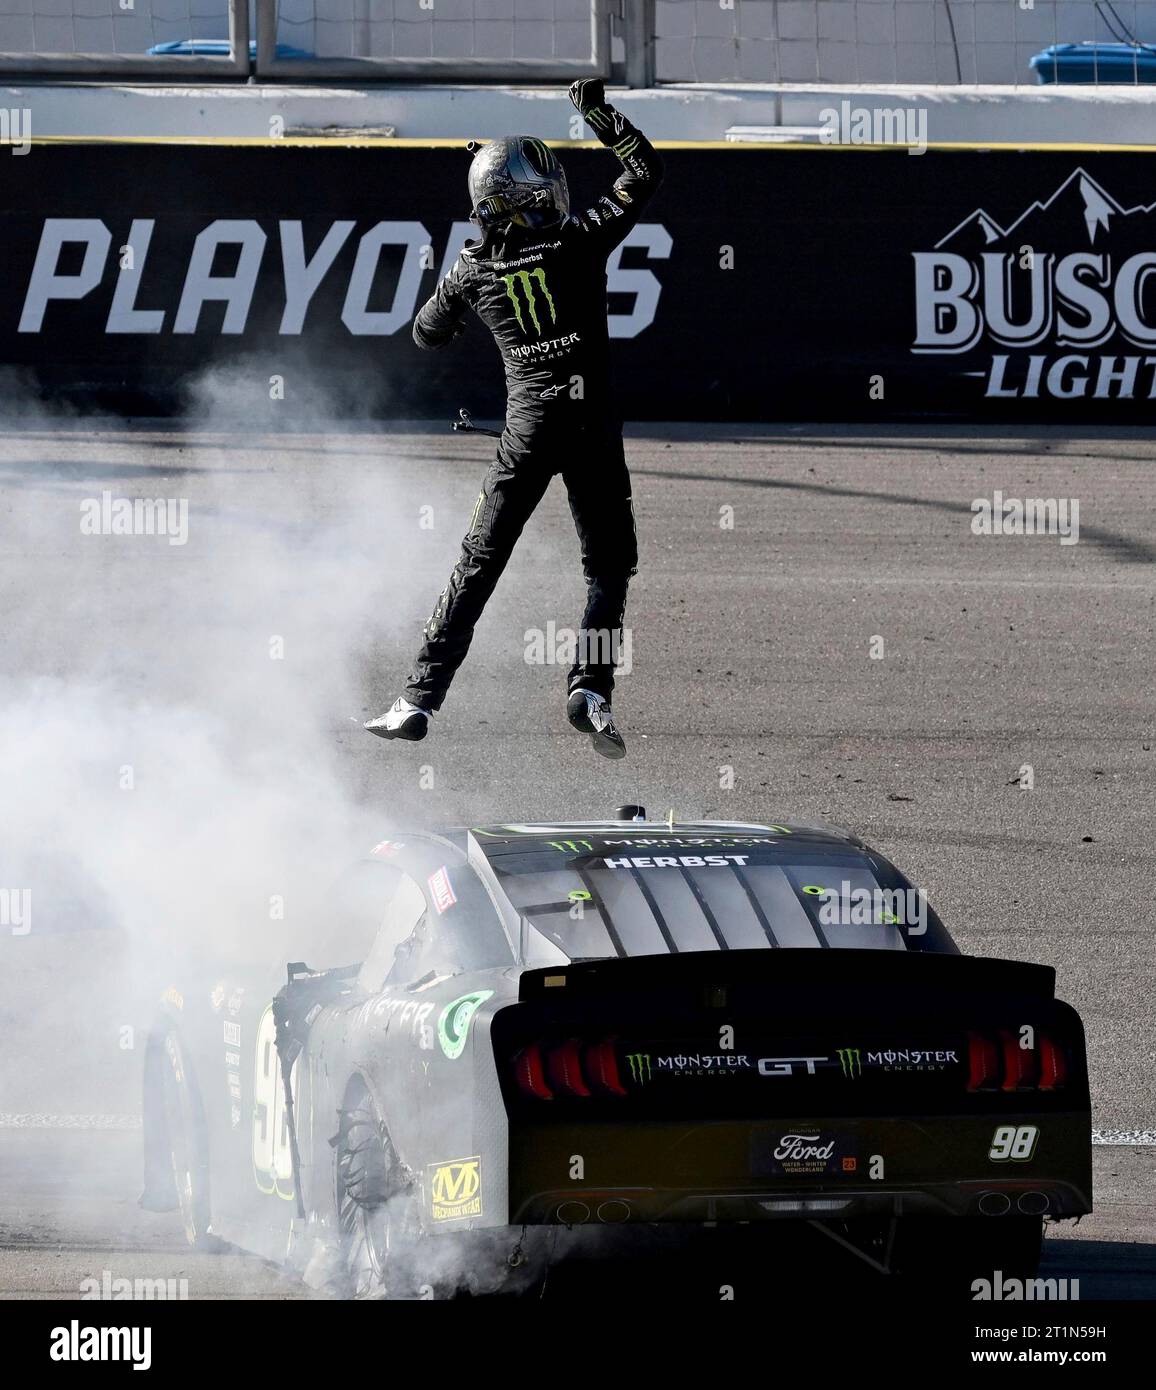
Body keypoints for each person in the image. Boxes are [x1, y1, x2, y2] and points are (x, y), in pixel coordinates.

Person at [365, 78, 663, 760]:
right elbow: (646, 170)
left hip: (526, 432)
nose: (556, 193)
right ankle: (590, 687)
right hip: (592, 425)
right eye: (545, 187)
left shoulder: (471, 269)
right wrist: (597, 113)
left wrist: (462, 277)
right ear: (530, 200)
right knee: (609, 568)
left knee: (477, 565)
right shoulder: (580, 240)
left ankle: (417, 699)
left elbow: (425, 334)